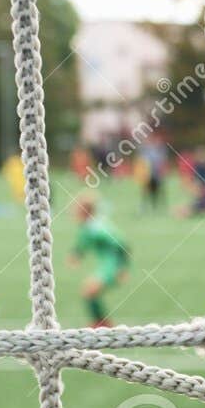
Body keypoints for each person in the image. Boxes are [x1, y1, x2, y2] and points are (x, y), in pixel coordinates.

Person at [68, 195, 130, 328]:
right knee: (89, 292)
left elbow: (121, 243)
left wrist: (122, 268)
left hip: (111, 265)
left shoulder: (95, 228)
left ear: (85, 210)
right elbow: (82, 242)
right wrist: (76, 255)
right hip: (108, 264)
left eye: (76, 209)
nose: (73, 213)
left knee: (89, 291)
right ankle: (102, 323)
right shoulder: (91, 225)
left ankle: (102, 324)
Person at [141, 135, 167, 213]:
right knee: (146, 191)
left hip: (157, 175)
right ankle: (144, 206)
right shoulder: (146, 152)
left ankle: (158, 206)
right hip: (148, 175)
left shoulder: (160, 152)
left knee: (158, 191)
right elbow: (143, 163)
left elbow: (162, 163)